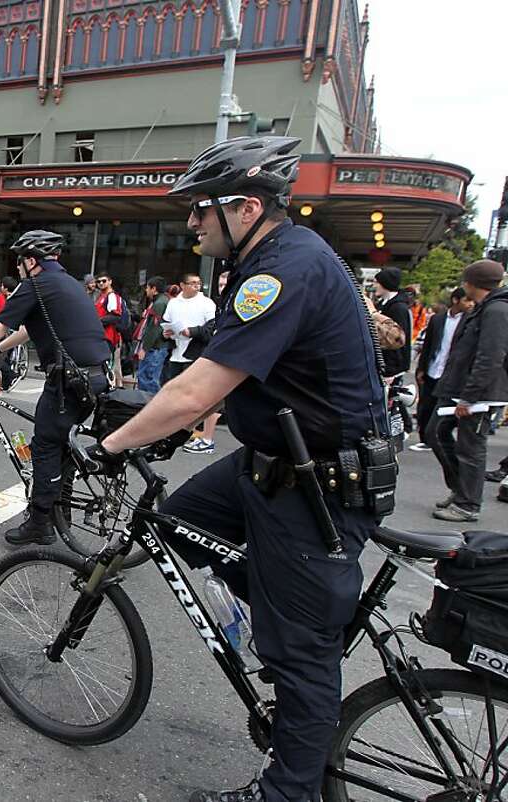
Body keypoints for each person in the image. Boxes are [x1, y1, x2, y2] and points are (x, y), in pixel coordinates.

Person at [89, 136, 388, 802]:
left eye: (201, 209)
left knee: (300, 658)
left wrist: (113, 445)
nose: (191, 222)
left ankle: (286, 791)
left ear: (247, 207)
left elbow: (197, 390)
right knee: (176, 521)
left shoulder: (285, 269)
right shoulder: (254, 262)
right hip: (272, 461)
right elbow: (233, 377)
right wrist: (161, 437)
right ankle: (275, 606)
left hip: (321, 486)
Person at [0, 230, 111, 545]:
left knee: (45, 446)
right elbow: (25, 329)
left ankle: (40, 523)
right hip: (94, 377)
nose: (18, 268)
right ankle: (60, 512)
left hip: (68, 381)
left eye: (20, 261)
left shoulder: (34, 284)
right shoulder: (69, 283)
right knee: (62, 446)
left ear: (31, 261)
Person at [427, 259, 508, 522]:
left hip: (478, 395)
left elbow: (490, 357)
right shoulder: (485, 308)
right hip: (461, 388)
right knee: (435, 432)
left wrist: (470, 396)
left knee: (471, 447)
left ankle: (467, 503)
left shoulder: (496, 310)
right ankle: (460, 489)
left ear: (473, 283)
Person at [411, 287, 472, 451]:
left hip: (451, 373)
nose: (470, 304)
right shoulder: (437, 319)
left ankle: (440, 437)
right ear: (455, 300)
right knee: (425, 405)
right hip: (433, 367)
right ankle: (425, 438)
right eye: (467, 300)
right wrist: (421, 368)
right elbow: (428, 345)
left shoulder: (470, 320)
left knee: (443, 409)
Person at [372, 267, 412, 378]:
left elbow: (398, 340)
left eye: (376, 282)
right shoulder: (383, 304)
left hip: (391, 368)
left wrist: (391, 369)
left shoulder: (398, 308)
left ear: (385, 283)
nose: (374, 286)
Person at [133, 275, 170, 393]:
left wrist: (144, 348)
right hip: (157, 347)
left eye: (148, 288)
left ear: (154, 289)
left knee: (147, 379)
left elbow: (153, 328)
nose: (146, 290)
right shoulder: (163, 301)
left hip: (155, 348)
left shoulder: (159, 304)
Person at [94, 274, 124, 386]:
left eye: (104, 281)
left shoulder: (111, 296)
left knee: (106, 366)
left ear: (110, 281)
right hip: (101, 336)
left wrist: (96, 322)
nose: (101, 283)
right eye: (99, 281)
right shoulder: (101, 296)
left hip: (108, 337)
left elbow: (115, 316)